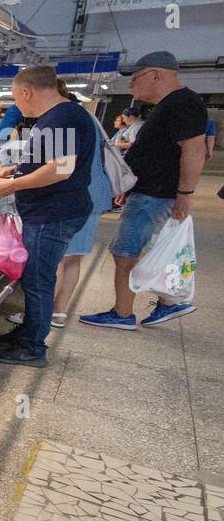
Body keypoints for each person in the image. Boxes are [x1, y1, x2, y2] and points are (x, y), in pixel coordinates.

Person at [79, 52, 205, 328]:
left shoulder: (182, 103)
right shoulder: (170, 104)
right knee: (134, 250)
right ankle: (168, 303)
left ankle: (123, 314)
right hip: (148, 190)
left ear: (155, 75)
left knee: (125, 252)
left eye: (135, 79)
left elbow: (194, 149)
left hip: (156, 194)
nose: (131, 87)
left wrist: (185, 193)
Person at [0, 65, 95, 367]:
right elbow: (49, 161)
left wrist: (12, 186)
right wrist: (15, 170)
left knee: (37, 281)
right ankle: (26, 333)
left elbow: (61, 168)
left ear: (26, 92)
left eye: (15, 99)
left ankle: (32, 348)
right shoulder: (59, 115)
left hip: (52, 213)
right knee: (36, 278)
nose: (17, 105)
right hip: (52, 210)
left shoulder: (63, 116)